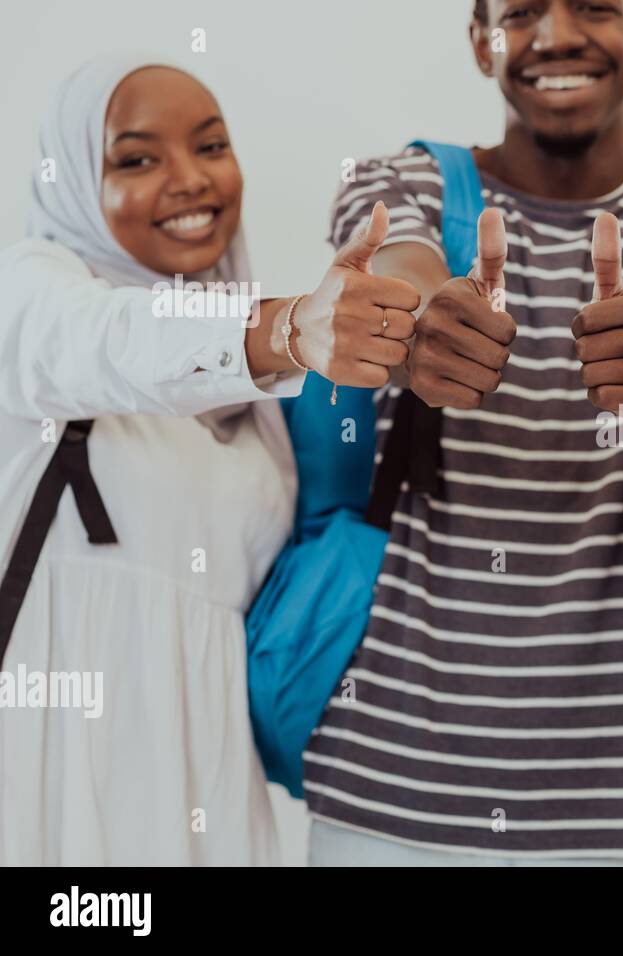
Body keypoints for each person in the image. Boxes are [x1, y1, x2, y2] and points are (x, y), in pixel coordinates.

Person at [301, 0, 623, 864]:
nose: (557, 36)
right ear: (482, 44)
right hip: (385, 796)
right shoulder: (400, 185)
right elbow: (398, 271)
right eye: (520, 12)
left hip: (618, 810)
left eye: (594, 6)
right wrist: (419, 328)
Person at [0, 56, 419, 864]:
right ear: (74, 182)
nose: (189, 180)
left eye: (211, 145)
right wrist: (285, 330)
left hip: (204, 792)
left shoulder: (260, 402)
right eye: (136, 158)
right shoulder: (34, 297)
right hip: (52, 772)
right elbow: (110, 340)